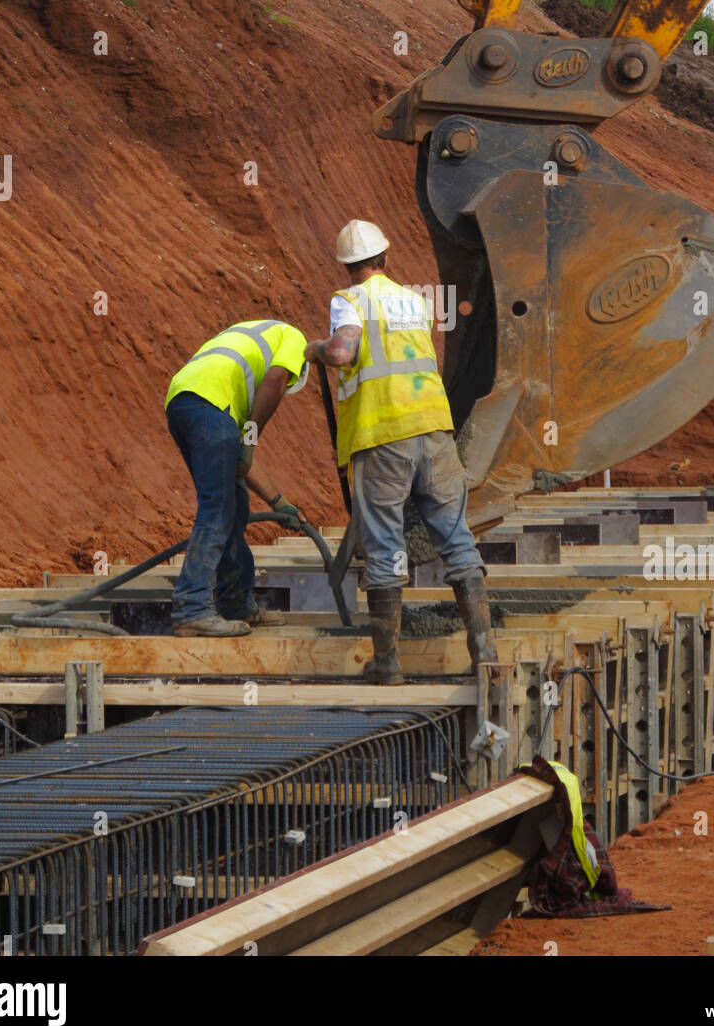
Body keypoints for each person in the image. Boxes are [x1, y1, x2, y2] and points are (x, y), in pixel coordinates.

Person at [305, 220, 496, 683]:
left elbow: (344, 351)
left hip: (383, 435)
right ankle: (485, 654)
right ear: (386, 259)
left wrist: (316, 350)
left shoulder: (349, 300)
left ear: (348, 268)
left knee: (386, 546)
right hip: (434, 430)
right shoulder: (414, 301)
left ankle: (388, 664)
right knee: (457, 540)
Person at [165, 318, 307, 637]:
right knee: (218, 508)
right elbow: (276, 378)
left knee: (235, 503)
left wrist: (279, 503)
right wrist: (252, 436)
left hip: (183, 399)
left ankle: (236, 604)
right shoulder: (292, 338)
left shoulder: (244, 345)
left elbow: (241, 461)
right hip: (208, 404)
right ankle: (192, 607)